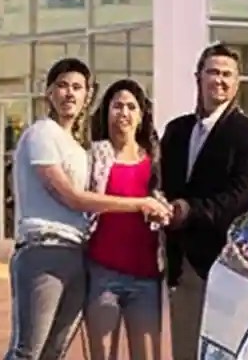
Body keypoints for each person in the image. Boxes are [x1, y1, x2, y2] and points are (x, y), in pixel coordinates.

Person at [6, 58, 172, 360]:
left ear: (87, 96)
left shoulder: (77, 148)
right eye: (62, 86)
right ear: (49, 93)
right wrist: (140, 204)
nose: (70, 93)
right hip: (46, 250)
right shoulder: (44, 134)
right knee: (27, 351)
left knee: (53, 351)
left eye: (77, 87)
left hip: (80, 256)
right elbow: (74, 197)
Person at [160, 44, 248, 360]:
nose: (219, 80)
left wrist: (188, 211)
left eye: (227, 74)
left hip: (224, 262)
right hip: (179, 264)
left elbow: (241, 196)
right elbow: (163, 184)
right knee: (182, 349)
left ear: (237, 83)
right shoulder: (177, 131)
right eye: (212, 72)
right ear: (198, 77)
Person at [84, 79, 173, 360]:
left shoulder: (156, 161)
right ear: (107, 111)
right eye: (117, 105)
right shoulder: (95, 157)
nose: (124, 112)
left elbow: (169, 206)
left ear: (142, 114)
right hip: (102, 273)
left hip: (146, 277)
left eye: (131, 106)